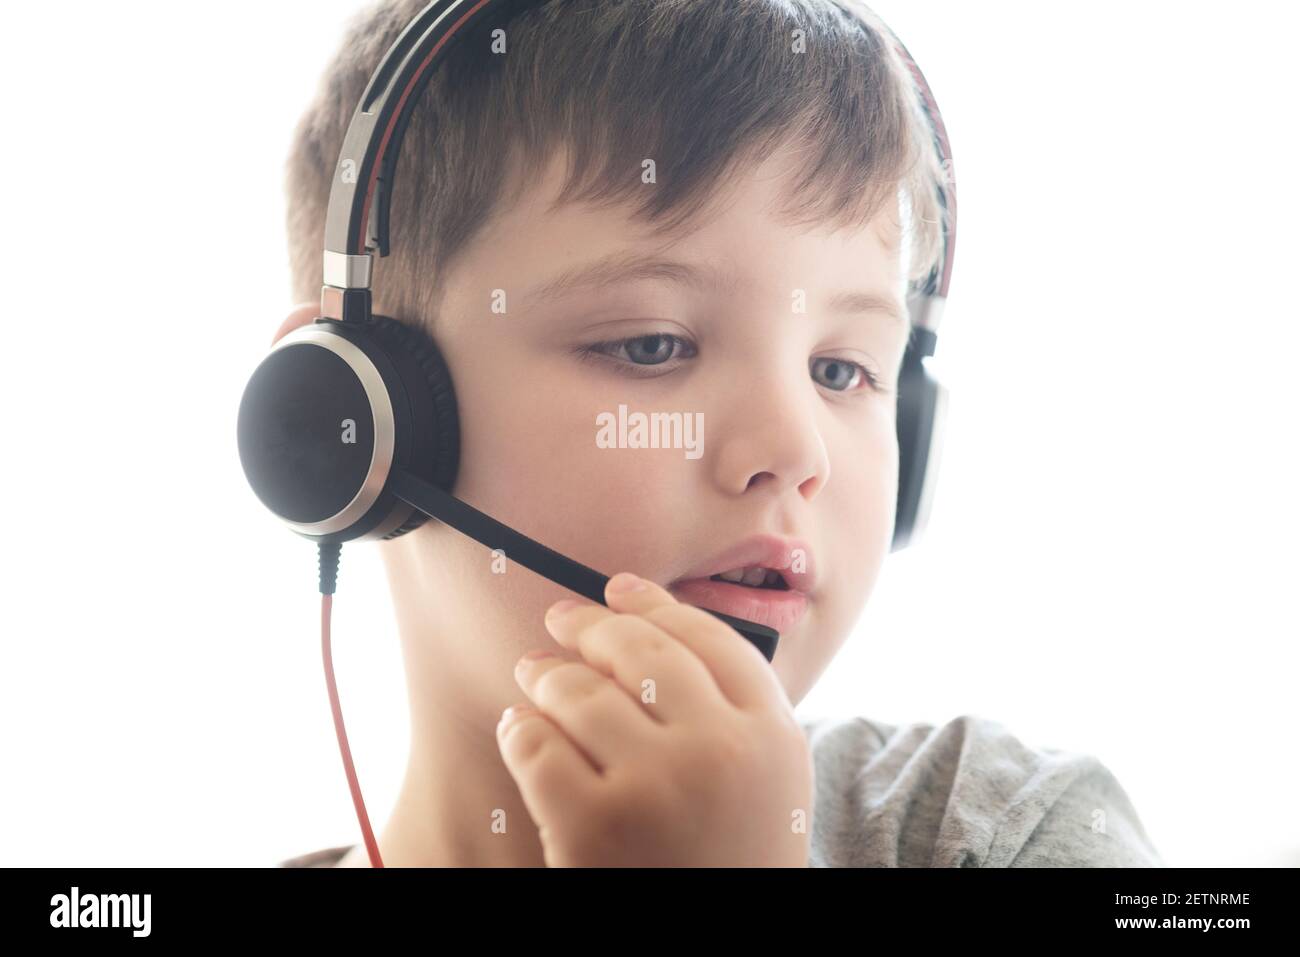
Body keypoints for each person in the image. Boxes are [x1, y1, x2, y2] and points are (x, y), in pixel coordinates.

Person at [273, 0, 1162, 867]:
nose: (794, 448)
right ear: (343, 421)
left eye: (841, 371)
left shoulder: (1005, 827)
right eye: (653, 346)